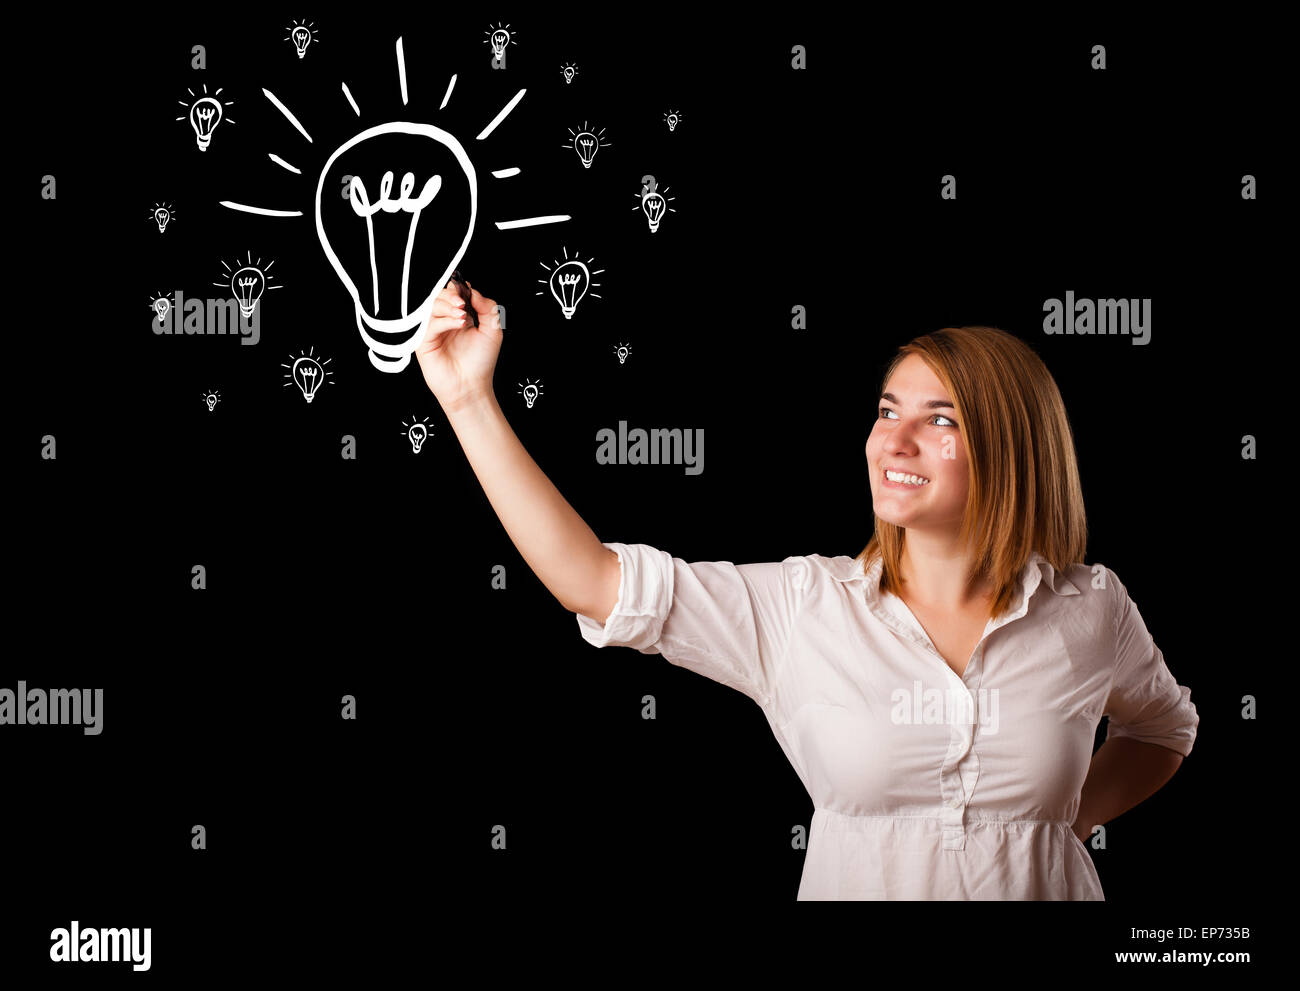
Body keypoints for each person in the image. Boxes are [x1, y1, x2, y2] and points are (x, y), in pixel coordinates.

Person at [417, 283, 1198, 900]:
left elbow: (1165, 729)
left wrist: (1059, 824)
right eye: (887, 410)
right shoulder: (802, 607)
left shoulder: (1090, 608)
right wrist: (468, 401)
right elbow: (592, 581)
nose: (893, 439)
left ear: (1012, 447)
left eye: (939, 420)